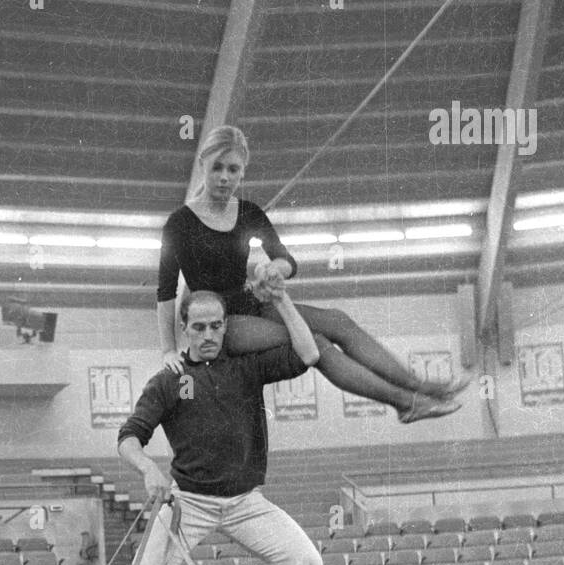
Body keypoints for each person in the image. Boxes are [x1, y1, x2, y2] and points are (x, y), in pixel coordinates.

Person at [156, 126, 468, 423]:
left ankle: (418, 386)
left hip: (250, 302)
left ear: (243, 171)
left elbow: (287, 259)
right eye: (217, 168)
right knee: (313, 342)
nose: (225, 178)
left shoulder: (248, 212)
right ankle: (405, 403)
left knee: (338, 320)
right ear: (202, 165)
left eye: (233, 170)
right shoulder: (180, 222)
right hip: (222, 322)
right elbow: (165, 291)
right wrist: (169, 348)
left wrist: (273, 269)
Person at [117, 283, 324, 565]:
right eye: (199, 327)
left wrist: (281, 299)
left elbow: (309, 353)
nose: (208, 335)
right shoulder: (170, 380)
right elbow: (129, 436)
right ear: (184, 329)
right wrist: (148, 469)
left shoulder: (247, 367)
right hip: (188, 504)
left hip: (246, 503)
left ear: (226, 326)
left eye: (215, 326)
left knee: (308, 564)